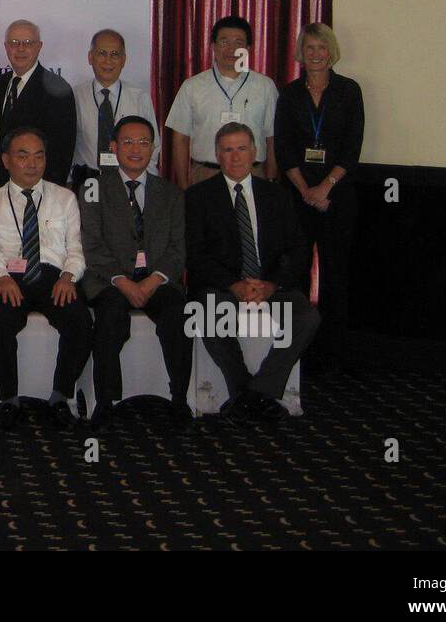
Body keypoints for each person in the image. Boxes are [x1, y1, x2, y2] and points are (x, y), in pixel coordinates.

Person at [184, 123, 318, 423]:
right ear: (217, 155)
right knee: (207, 314)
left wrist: (272, 285)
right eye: (227, 150)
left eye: (242, 148)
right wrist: (234, 285)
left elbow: (298, 248)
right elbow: (195, 255)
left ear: (255, 153)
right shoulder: (197, 197)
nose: (235, 157)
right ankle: (242, 389)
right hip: (222, 288)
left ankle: (256, 393)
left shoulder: (278, 195)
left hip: (271, 285)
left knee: (307, 317)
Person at [78, 116, 189, 432]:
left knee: (178, 315)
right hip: (110, 279)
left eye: (144, 142)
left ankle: (179, 398)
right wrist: (124, 282)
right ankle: (106, 400)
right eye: (127, 142)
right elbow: (92, 244)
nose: (136, 149)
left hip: (157, 279)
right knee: (111, 314)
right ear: (113, 147)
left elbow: (177, 249)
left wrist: (154, 280)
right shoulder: (93, 188)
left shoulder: (170, 193)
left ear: (153, 149)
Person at [0, 126, 91, 431]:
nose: (32, 163)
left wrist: (69, 277)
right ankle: (8, 401)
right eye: (23, 156)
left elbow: (76, 250)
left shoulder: (64, 198)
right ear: (6, 160)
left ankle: (60, 397)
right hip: (9, 276)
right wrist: (0, 278)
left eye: (39, 156)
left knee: (80, 320)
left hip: (55, 277)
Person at [274, 22, 364, 364]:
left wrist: (325, 186)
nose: (315, 54)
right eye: (309, 47)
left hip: (337, 196)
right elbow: (283, 148)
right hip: (297, 197)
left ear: (332, 51)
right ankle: (295, 350)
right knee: (293, 272)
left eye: (321, 47)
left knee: (335, 275)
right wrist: (304, 190)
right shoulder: (289, 94)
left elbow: (351, 148)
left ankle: (333, 352)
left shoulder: (349, 91)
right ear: (301, 52)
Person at [166, 15, 278, 189]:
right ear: (213, 46)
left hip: (253, 175)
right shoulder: (192, 86)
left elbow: (272, 138)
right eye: (224, 42)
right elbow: (180, 139)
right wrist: (183, 186)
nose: (231, 49)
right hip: (205, 175)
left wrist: (270, 180)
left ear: (248, 49)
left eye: (238, 43)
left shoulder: (265, 86)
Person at [70, 29, 158, 190]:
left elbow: (153, 146)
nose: (108, 60)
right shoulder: (74, 96)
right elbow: (68, 145)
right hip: (88, 182)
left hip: (128, 181)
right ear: (90, 57)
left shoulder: (139, 98)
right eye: (102, 53)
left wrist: (146, 185)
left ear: (123, 60)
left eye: (115, 54)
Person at [0, 19, 76, 188]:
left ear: (39, 46)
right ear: (5, 47)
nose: (20, 48)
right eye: (14, 42)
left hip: (37, 191)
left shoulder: (58, 89)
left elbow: (61, 152)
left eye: (28, 43)